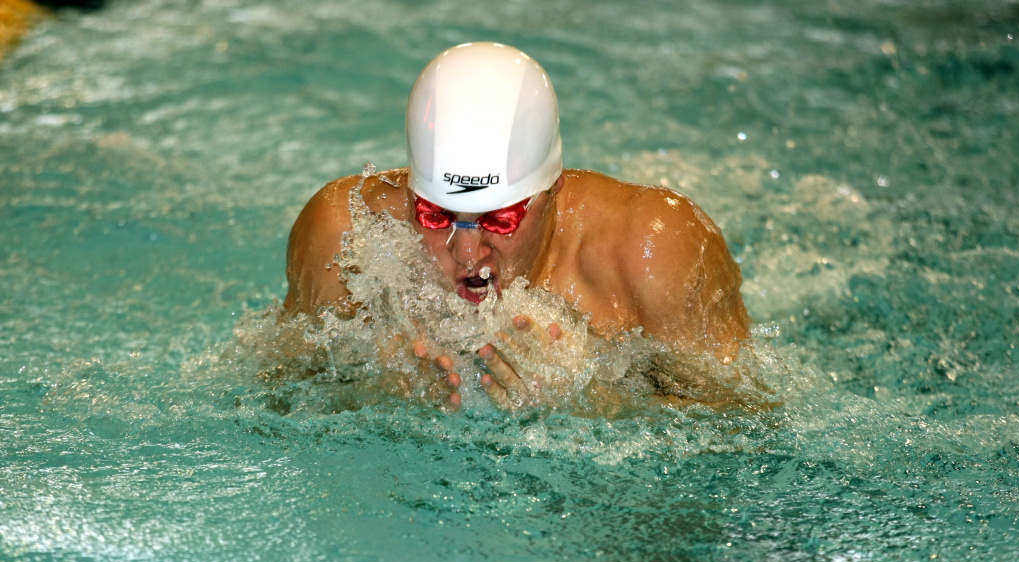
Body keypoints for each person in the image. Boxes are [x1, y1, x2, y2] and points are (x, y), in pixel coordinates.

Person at [283, 42, 750, 411]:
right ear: (410, 196)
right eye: (436, 216)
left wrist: (594, 404)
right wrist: (372, 393)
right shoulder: (344, 235)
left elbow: (753, 422)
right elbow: (266, 392)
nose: (467, 253)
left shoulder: (653, 247)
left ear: (553, 193)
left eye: (499, 220)